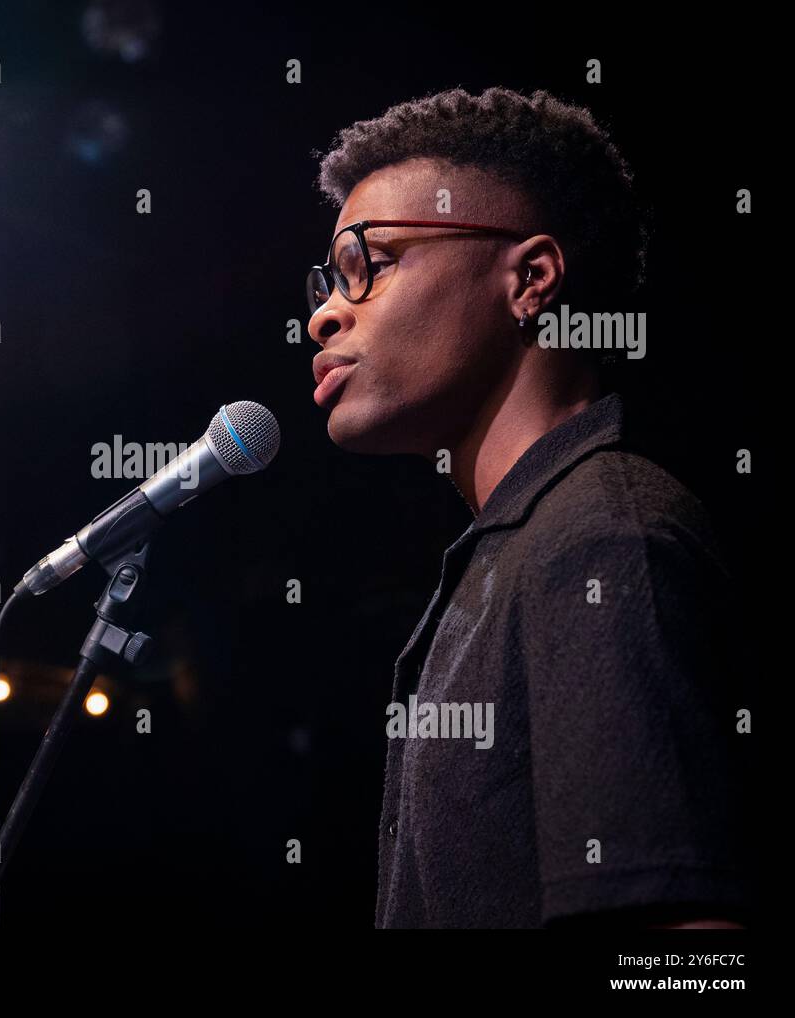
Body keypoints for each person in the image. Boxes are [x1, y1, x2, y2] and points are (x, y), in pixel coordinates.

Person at [306, 87, 750, 928]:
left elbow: (685, 954)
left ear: (531, 279)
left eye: (372, 263)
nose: (327, 313)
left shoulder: (603, 540)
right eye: (329, 281)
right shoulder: (519, 547)